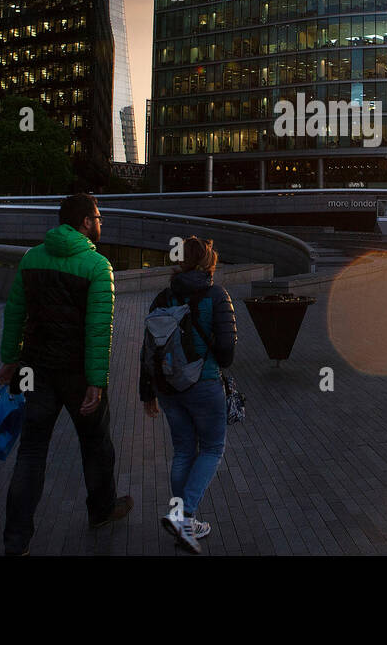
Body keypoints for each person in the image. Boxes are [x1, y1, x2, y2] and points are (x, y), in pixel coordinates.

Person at [0, 193, 131, 556]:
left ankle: (15, 540)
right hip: (76, 375)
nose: (102, 223)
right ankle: (102, 511)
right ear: (86, 222)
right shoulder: (97, 266)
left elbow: (14, 314)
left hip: (35, 371)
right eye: (99, 217)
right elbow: (98, 330)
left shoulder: (31, 258)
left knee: (31, 453)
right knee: (96, 445)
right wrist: (96, 382)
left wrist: (9, 359)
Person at [141, 237, 237, 554]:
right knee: (212, 448)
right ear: (209, 262)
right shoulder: (217, 295)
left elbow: (148, 349)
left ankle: (185, 524)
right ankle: (184, 514)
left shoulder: (162, 298)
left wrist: (148, 393)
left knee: (184, 451)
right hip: (204, 384)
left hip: (168, 388)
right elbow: (226, 352)